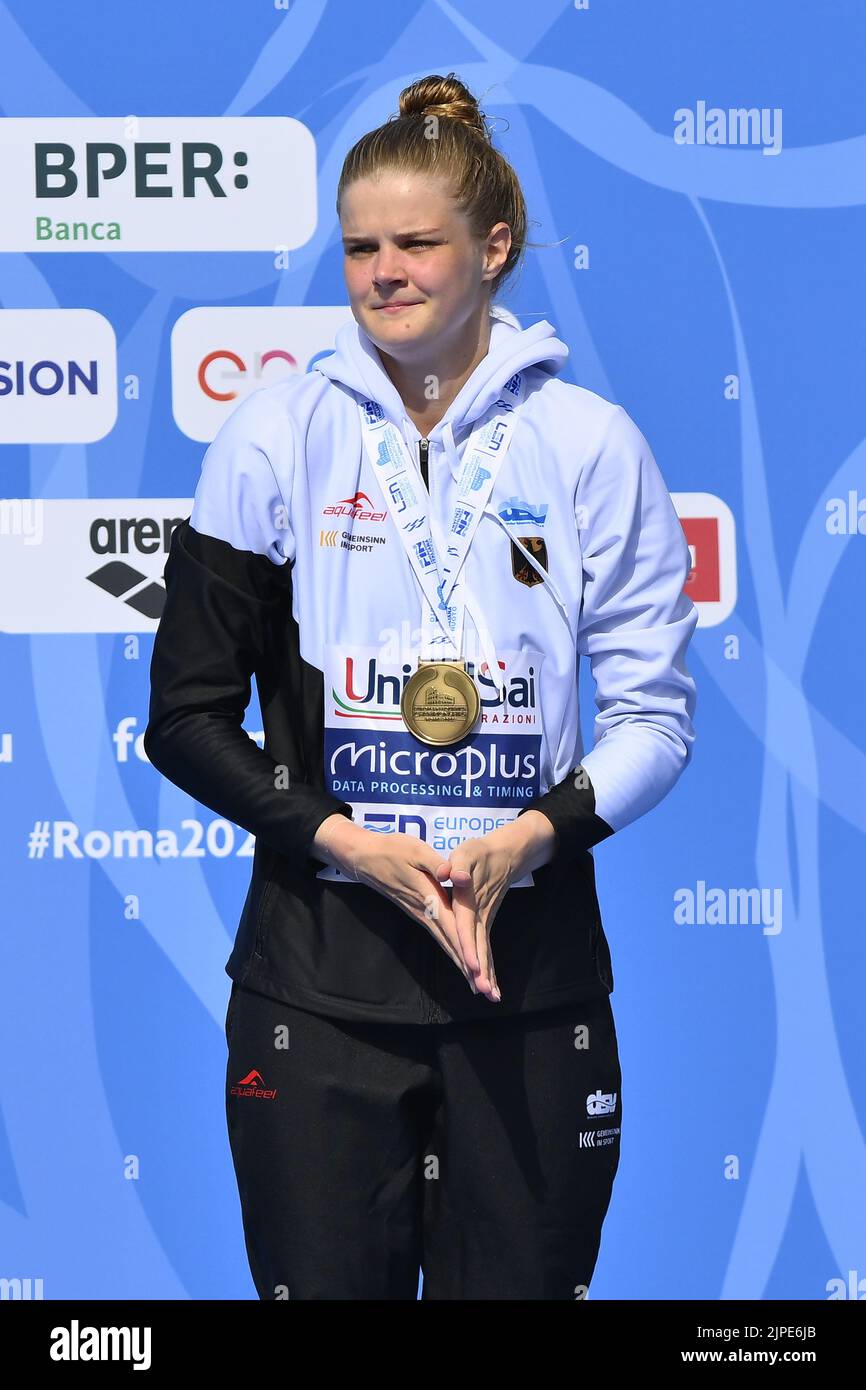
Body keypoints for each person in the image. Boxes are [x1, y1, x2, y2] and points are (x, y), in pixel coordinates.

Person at [144, 71, 698, 1300]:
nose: (381, 272)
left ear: (491, 248)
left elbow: (655, 720)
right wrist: (345, 841)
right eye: (357, 247)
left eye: (414, 243)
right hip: (318, 985)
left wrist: (527, 839)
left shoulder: (590, 444)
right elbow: (184, 717)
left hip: (530, 983)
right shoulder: (275, 433)